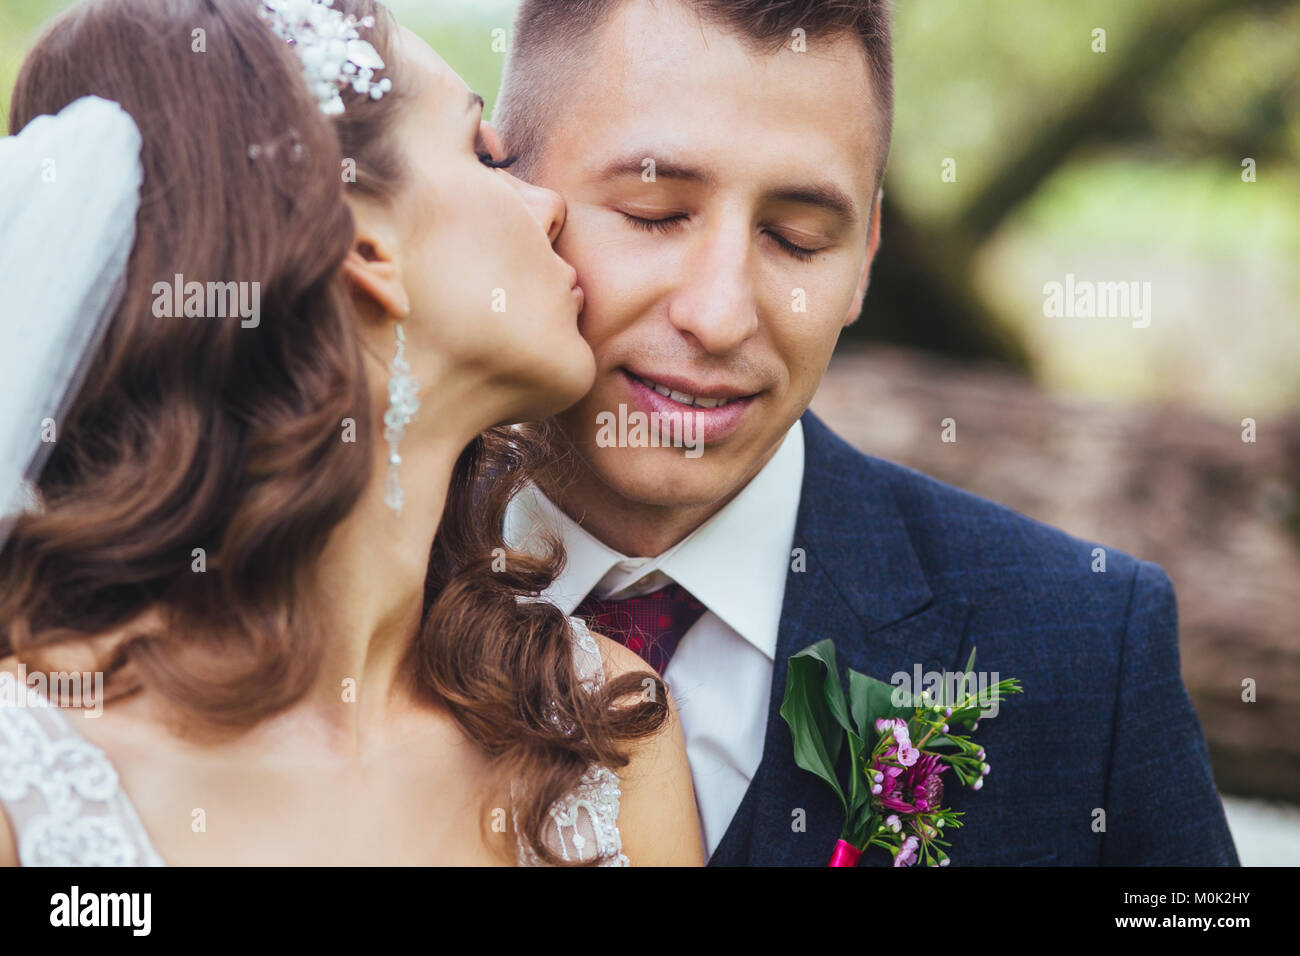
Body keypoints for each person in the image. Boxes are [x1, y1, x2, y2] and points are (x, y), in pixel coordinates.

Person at [494, 0, 1240, 865]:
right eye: (656, 214)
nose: (720, 316)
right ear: (509, 193)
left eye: (798, 239)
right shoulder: (332, 589)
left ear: (866, 256)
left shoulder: (1087, 648)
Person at [0, 0, 702, 867]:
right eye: (483, 152)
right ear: (364, 242)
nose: (551, 204)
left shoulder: (602, 730)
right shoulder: (30, 768)